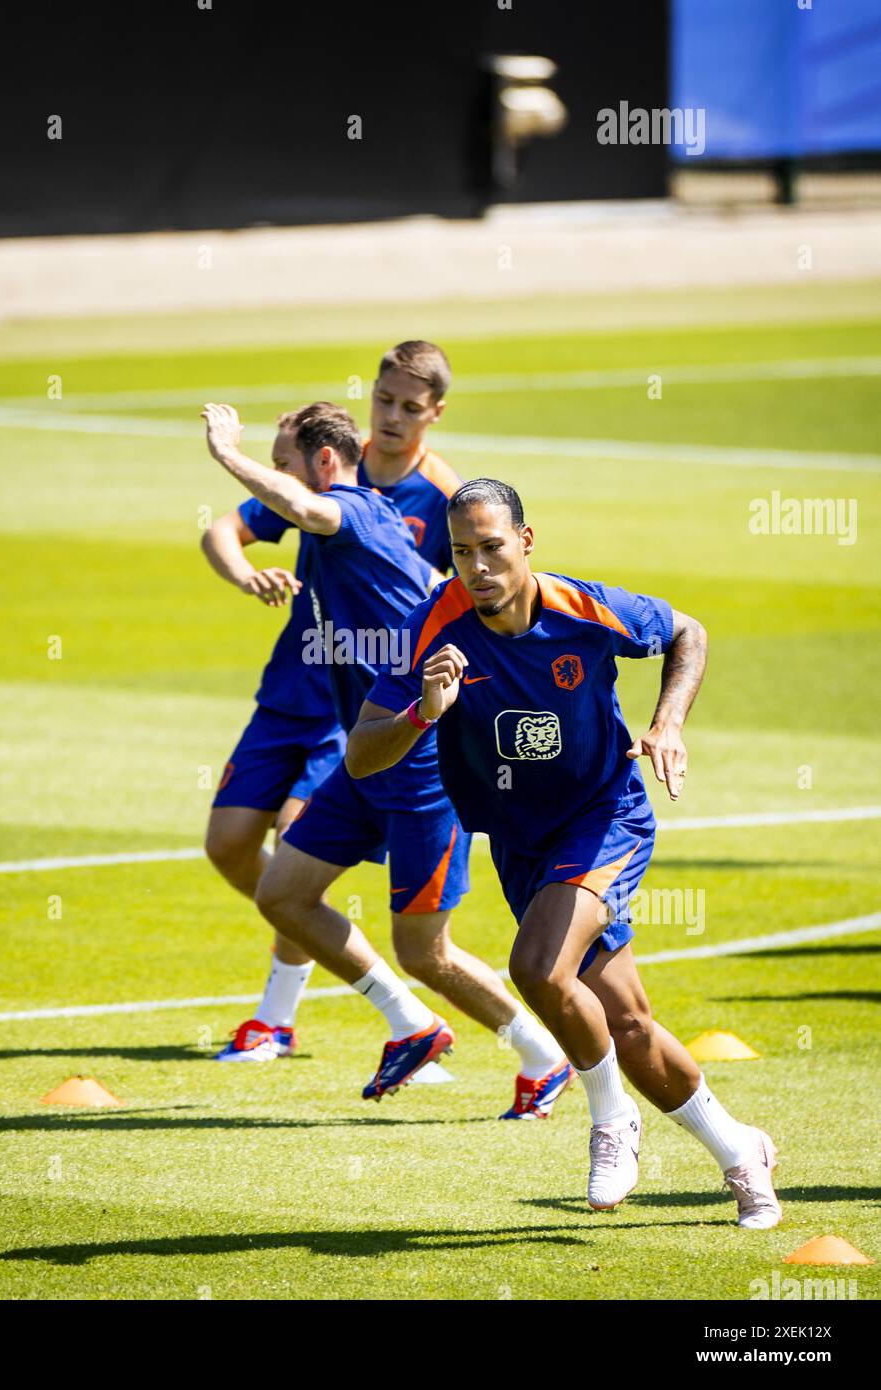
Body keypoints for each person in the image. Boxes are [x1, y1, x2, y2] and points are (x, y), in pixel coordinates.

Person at [344, 478, 782, 1227]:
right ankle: (741, 1152)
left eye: (490, 547)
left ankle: (611, 1121)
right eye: (460, 553)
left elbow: (687, 632)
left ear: (525, 541)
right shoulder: (433, 627)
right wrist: (424, 710)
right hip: (520, 841)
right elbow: (360, 757)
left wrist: (667, 721)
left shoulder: (583, 608)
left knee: (535, 967)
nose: (476, 567)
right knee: (629, 1024)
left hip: (603, 816)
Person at [201, 405, 570, 1112]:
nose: (276, 477)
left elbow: (300, 505)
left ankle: (541, 1053)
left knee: (425, 951)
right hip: (368, 753)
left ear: (326, 463)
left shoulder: (353, 514)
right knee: (282, 892)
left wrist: (226, 453)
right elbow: (270, 514)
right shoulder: (347, 520)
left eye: (284, 462)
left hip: (427, 765)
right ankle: (411, 1024)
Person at [200, 341, 460, 1062]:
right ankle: (322, 940)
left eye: (410, 407)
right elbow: (227, 526)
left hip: (364, 704)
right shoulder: (325, 467)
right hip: (295, 685)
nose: (392, 417)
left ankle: (280, 1016)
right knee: (228, 847)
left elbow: (467, 592)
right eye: (384, 400)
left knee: (295, 844)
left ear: (434, 413)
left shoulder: (440, 499)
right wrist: (245, 572)